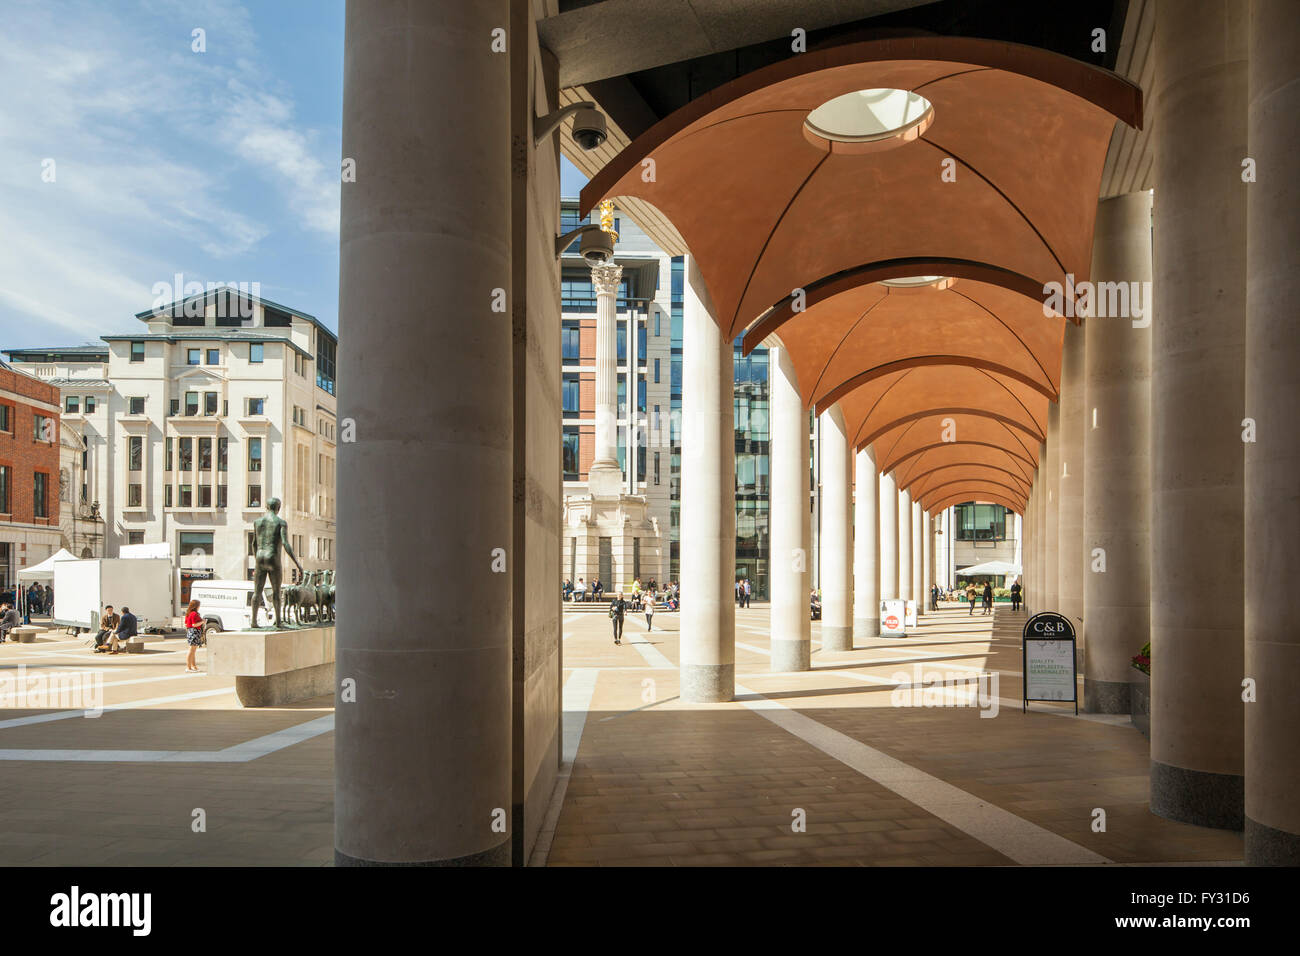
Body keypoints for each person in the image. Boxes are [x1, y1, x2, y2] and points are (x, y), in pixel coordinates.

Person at [183, 599, 204, 672]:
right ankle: (189, 667)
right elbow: (194, 624)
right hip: (194, 632)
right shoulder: (194, 614)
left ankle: (193, 666)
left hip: (190, 631)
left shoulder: (188, 613)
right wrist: (203, 622)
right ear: (196, 606)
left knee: (193, 650)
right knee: (192, 650)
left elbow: (186, 624)